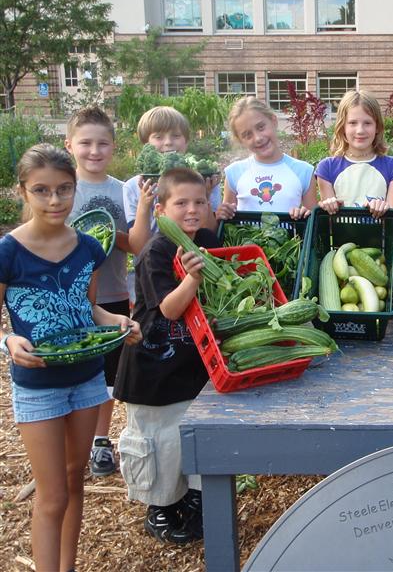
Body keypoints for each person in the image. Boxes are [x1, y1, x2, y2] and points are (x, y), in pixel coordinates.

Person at [0, 144, 141, 572]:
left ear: (74, 189)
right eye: (41, 190)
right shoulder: (9, 251)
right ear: (23, 191)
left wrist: (118, 322)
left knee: (75, 479)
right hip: (38, 386)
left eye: (64, 189)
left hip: (87, 381)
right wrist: (8, 341)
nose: (54, 200)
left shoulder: (88, 247)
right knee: (52, 495)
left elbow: (88, 309)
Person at [114, 167, 220, 544]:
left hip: (191, 363)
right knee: (158, 442)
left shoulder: (206, 239)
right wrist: (193, 278)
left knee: (189, 437)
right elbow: (170, 310)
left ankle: (192, 501)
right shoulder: (155, 251)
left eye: (200, 202)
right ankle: (159, 510)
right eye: (181, 203)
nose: (192, 210)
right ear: (160, 209)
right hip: (152, 365)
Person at [64, 106, 132, 477]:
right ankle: (72, 441)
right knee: (74, 370)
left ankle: (100, 441)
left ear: (113, 146)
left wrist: (108, 236)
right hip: (69, 299)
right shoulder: (63, 190)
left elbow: (135, 243)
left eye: (102, 143)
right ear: (69, 145)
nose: (94, 151)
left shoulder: (122, 191)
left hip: (113, 294)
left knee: (108, 376)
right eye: (85, 143)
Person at [123, 106, 219, 256]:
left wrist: (205, 195)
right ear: (145, 144)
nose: (168, 142)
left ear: (186, 142)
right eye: (158, 137)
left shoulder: (203, 180)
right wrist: (144, 204)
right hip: (154, 264)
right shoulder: (133, 187)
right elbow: (138, 248)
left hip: (197, 259)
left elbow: (211, 238)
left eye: (176, 136)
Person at [216, 96, 315, 222]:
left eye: (261, 127)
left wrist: (304, 214)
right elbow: (227, 223)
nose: (258, 138)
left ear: (273, 121)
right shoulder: (234, 173)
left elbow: (314, 223)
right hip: (248, 236)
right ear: (240, 140)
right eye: (247, 135)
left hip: (290, 235)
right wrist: (221, 214)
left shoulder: (303, 171)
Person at [316, 90, 393, 218]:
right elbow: (329, 223)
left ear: (377, 127)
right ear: (342, 127)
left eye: (367, 123)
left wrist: (383, 209)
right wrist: (330, 205)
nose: (360, 130)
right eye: (353, 123)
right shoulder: (327, 168)